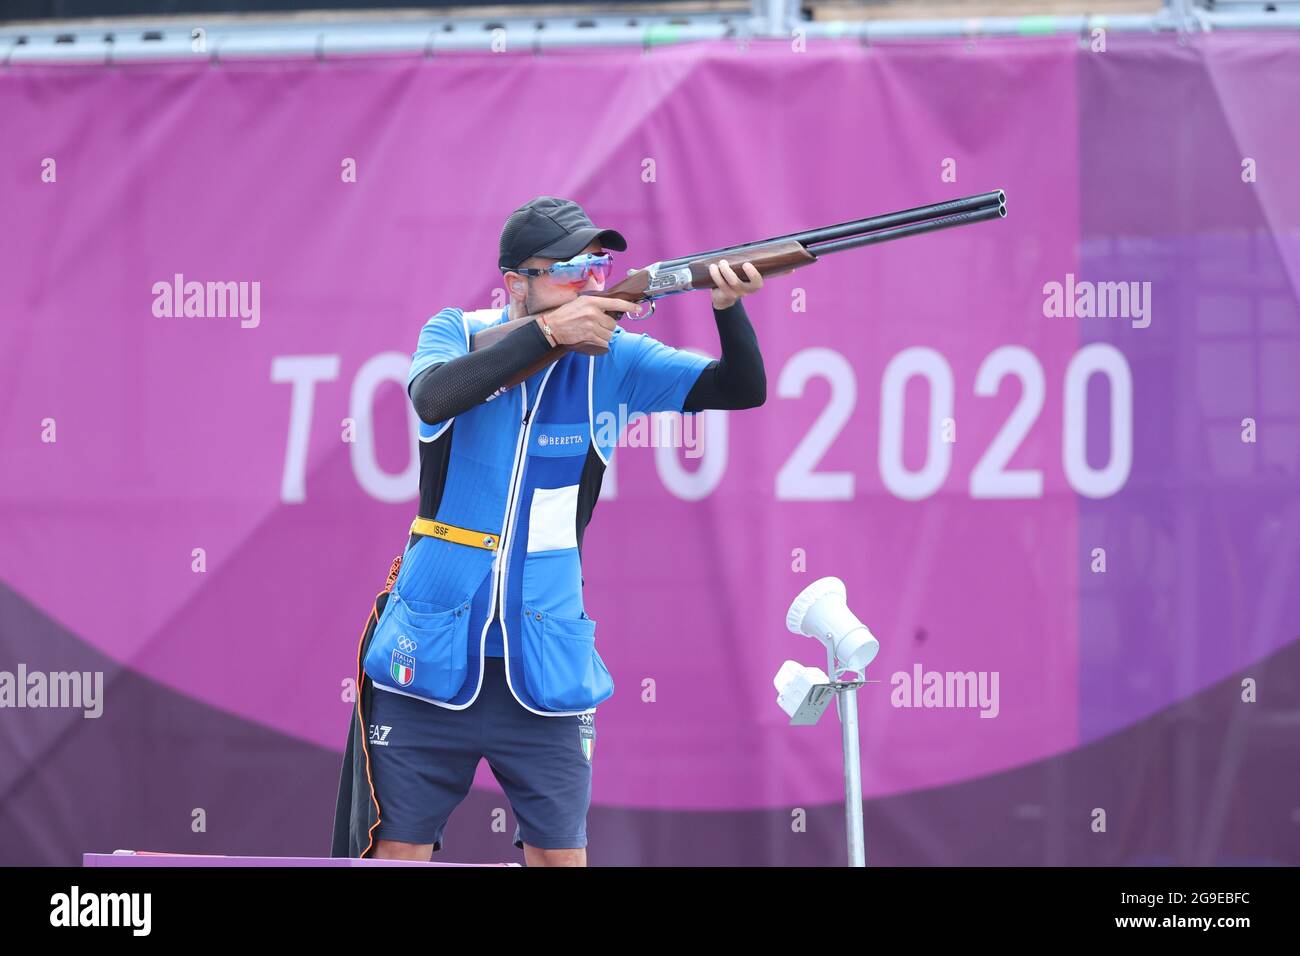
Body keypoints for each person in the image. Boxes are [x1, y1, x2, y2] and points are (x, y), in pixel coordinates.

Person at [332, 196, 766, 867]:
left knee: (561, 860)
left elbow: (741, 388)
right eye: (569, 269)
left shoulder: (614, 358)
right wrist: (551, 335)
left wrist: (729, 309)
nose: (591, 281)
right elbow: (434, 397)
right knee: (397, 853)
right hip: (429, 650)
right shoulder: (454, 330)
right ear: (517, 283)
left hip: (546, 659)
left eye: (598, 265)